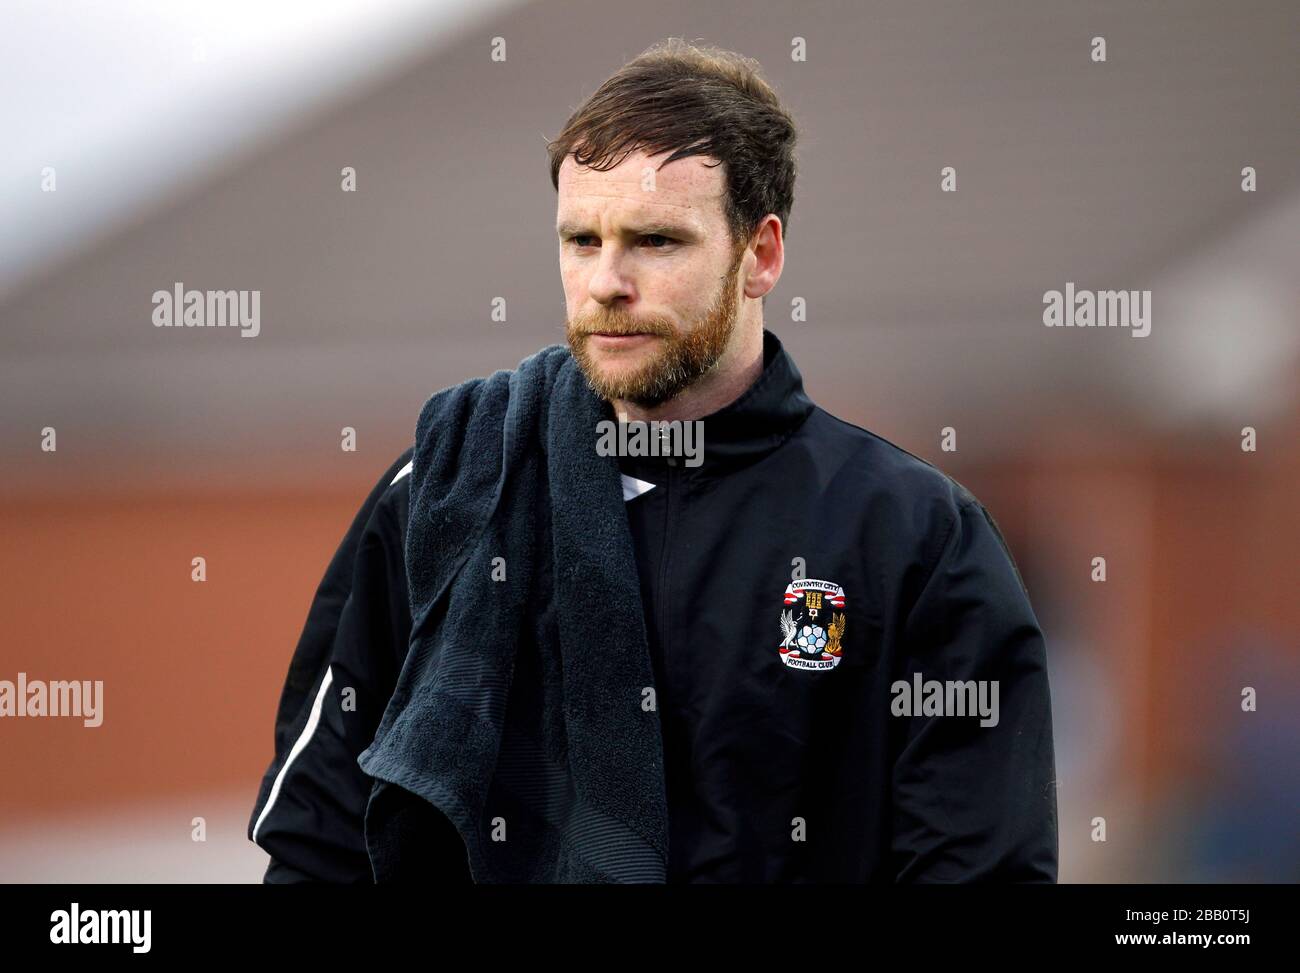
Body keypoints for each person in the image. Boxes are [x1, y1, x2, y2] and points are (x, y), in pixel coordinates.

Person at [248, 38, 1057, 883]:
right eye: (581, 240)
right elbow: (320, 840)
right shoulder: (449, 489)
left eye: (656, 241)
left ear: (762, 255)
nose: (606, 282)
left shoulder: (914, 539)